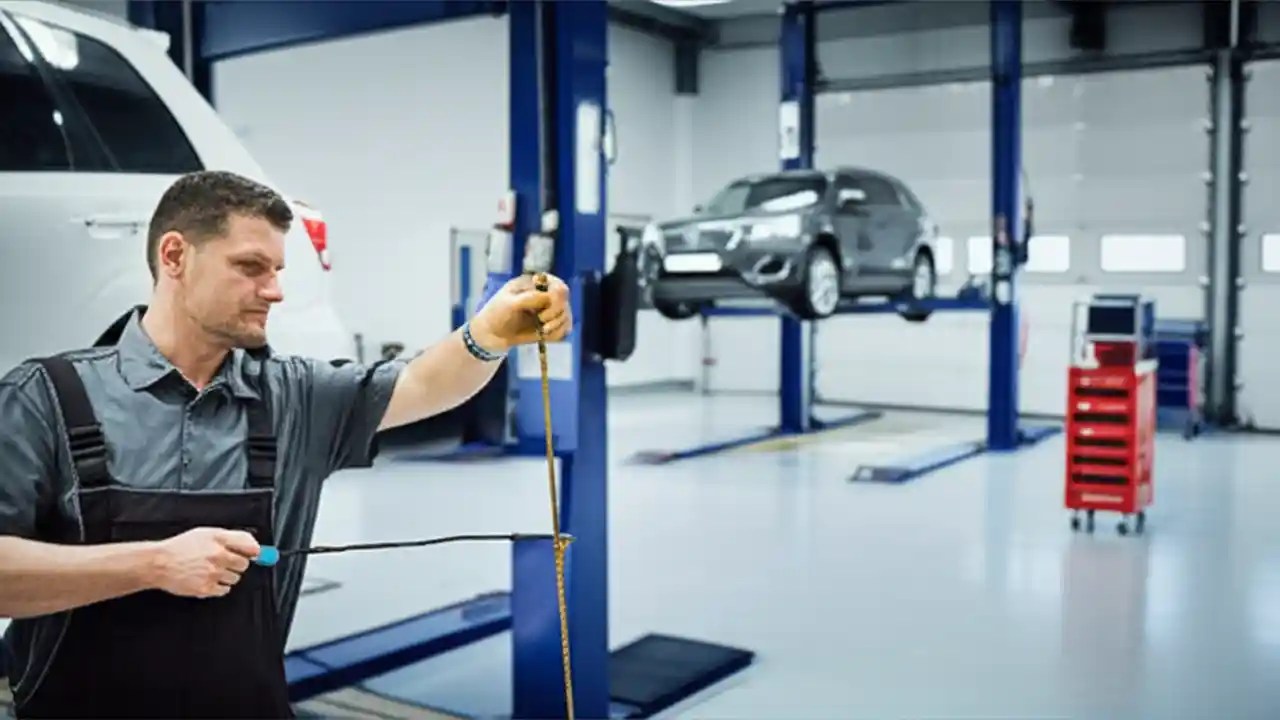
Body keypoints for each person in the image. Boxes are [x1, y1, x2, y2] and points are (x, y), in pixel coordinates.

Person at [0, 170, 572, 718]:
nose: (274, 291)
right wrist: (154, 564)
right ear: (174, 256)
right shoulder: (47, 398)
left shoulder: (294, 397)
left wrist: (489, 335)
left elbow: (423, 383)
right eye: (251, 267)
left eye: (277, 269)